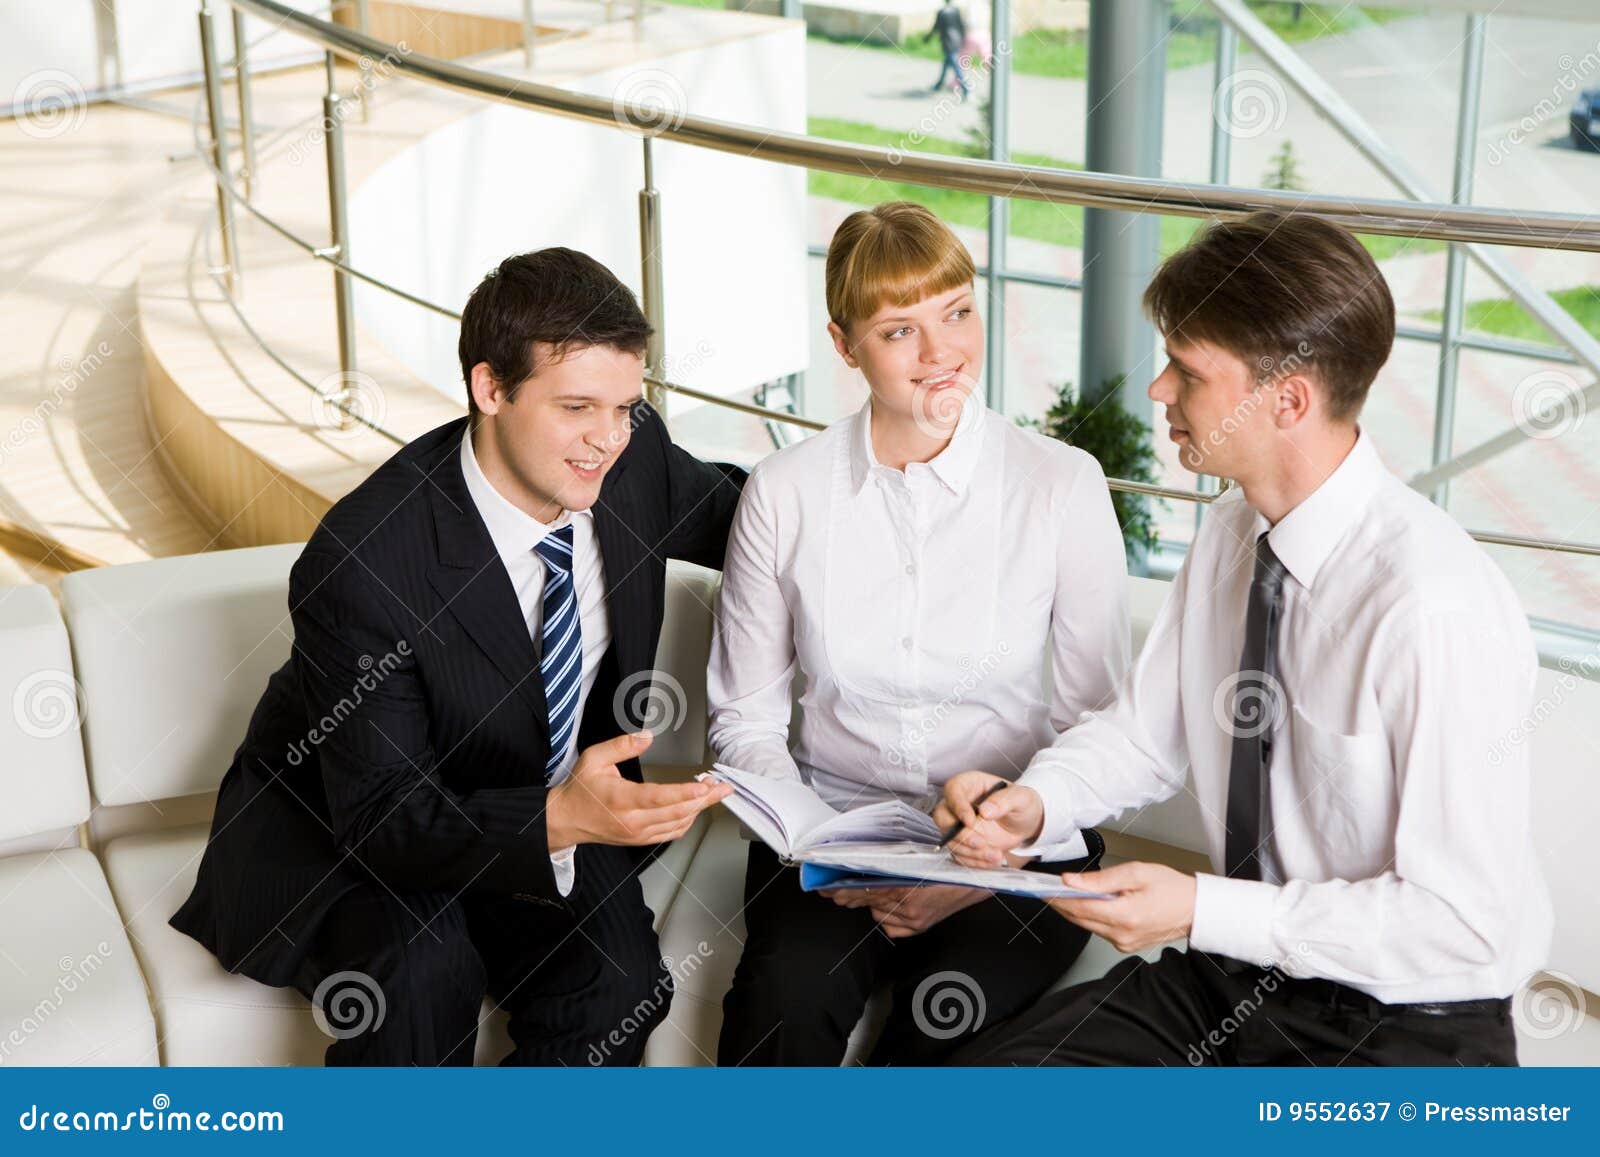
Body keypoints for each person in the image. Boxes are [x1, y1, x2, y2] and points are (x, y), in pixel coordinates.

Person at [937, 211, 1553, 1067]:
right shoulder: (1233, 534)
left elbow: (1457, 922)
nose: (1158, 391)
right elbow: (1145, 735)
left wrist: (1199, 908)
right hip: (1233, 980)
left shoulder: (1431, 607)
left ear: (1289, 400)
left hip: (1403, 1022)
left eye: (1186, 370)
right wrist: (1036, 802)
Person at [170, 248, 742, 1065]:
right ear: (490, 389)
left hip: (529, 797)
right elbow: (381, 816)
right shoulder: (365, 561)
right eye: (577, 406)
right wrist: (565, 815)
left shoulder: (631, 454)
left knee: (618, 984)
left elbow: (752, 523)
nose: (606, 439)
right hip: (349, 824)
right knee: (422, 974)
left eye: (625, 404)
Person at [709, 201, 1130, 1065]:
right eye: (901, 330)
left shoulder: (1060, 484)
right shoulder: (784, 492)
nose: (943, 353)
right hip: (833, 836)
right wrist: (829, 847)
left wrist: (981, 867)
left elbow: (1103, 722)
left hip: (1015, 845)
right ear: (844, 343)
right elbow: (744, 721)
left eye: (958, 313)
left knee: (940, 1035)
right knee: (781, 1010)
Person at [924, 1, 969, 100]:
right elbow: (961, 25)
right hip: (956, 39)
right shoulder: (955, 10)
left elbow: (936, 27)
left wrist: (928, 38)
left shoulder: (942, 12)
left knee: (954, 64)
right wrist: (963, 38)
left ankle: (965, 87)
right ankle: (939, 84)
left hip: (948, 41)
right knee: (947, 62)